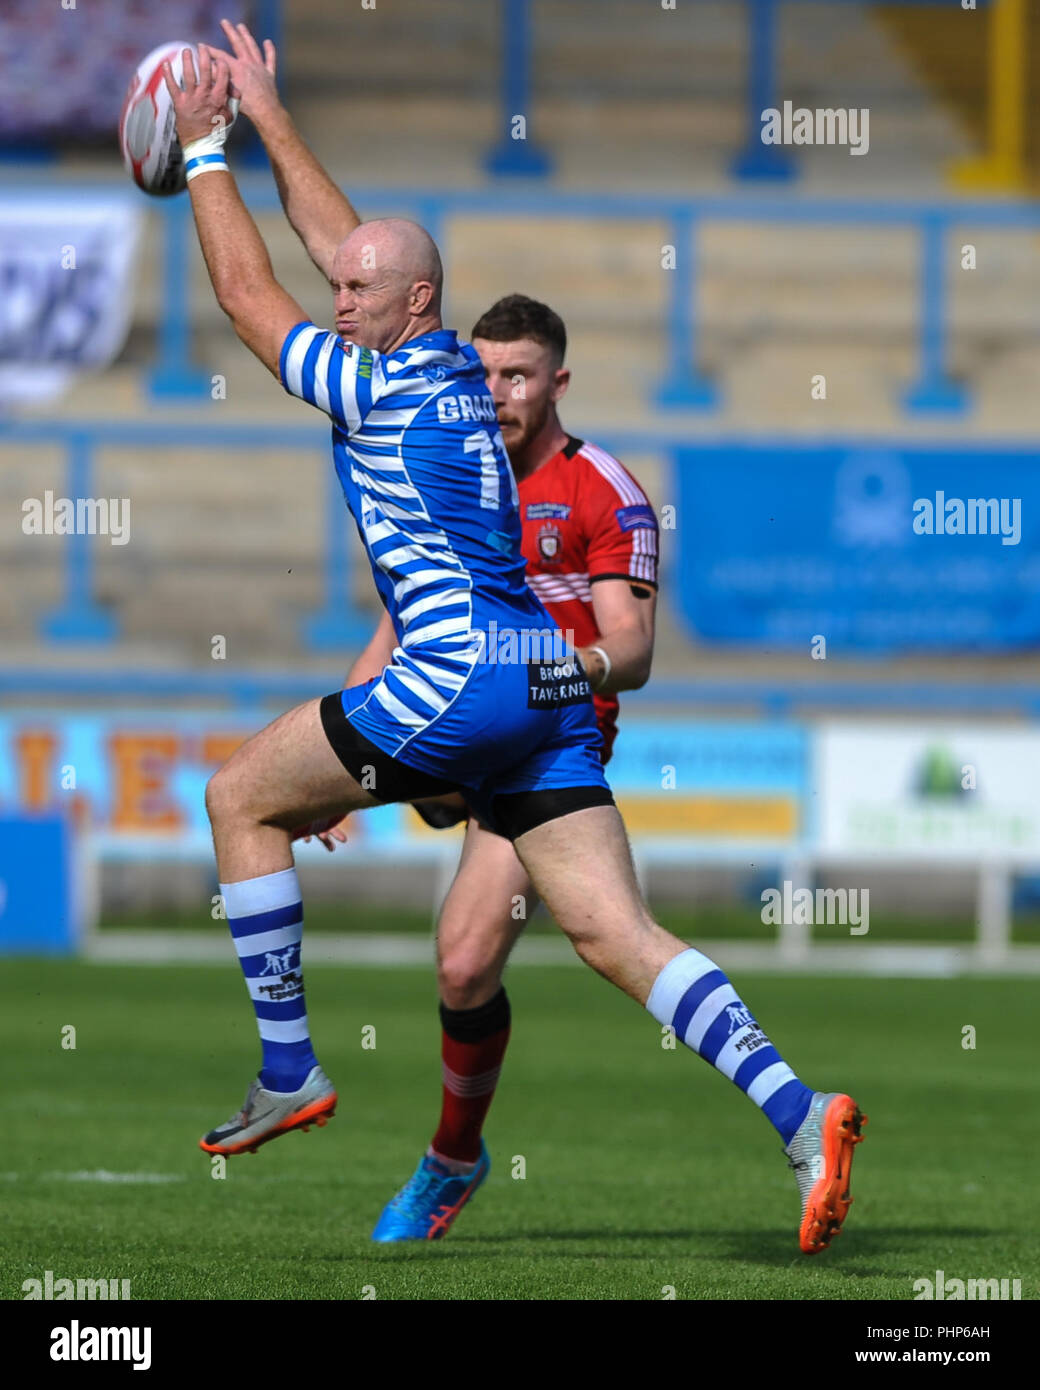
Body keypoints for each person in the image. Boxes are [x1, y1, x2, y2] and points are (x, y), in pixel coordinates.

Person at [168, 23, 866, 1256]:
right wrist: (276, 115)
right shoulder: (441, 360)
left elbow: (243, 294)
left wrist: (209, 151)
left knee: (239, 798)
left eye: (353, 298)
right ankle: (804, 1117)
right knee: (611, 933)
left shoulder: (384, 385)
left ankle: (289, 1069)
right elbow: (354, 250)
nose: (337, 300)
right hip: (534, 699)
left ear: (409, 308)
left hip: (457, 683)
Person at [331, 293, 661, 1241]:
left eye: (518, 375)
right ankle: (458, 1160)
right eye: (483, 373)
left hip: (549, 742)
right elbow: (401, 619)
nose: (498, 391)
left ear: (558, 381)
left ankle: (447, 1163)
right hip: (466, 720)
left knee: (471, 959)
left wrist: (548, 671)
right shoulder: (460, 471)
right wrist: (343, 753)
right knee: (463, 971)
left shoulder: (604, 489)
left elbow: (631, 652)